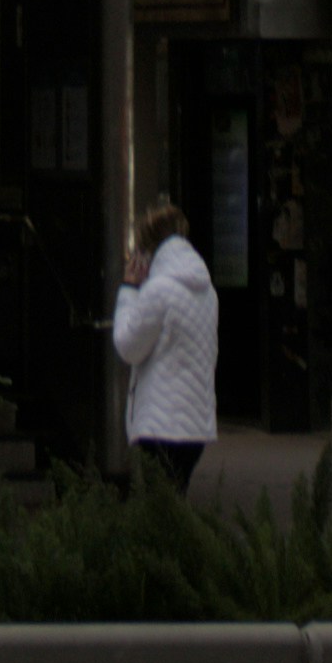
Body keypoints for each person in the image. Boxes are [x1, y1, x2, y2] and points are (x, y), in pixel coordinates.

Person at [111, 193, 219, 493]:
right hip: (196, 425)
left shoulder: (158, 290)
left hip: (160, 424)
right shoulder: (207, 291)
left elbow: (128, 346)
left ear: (148, 250)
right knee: (175, 497)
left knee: (157, 503)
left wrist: (129, 291)